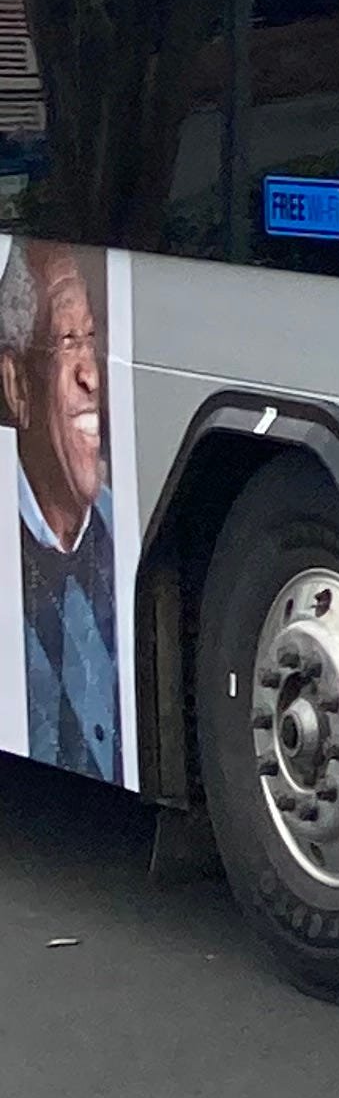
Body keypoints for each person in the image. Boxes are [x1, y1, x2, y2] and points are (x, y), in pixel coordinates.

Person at [2, 238, 118, 778]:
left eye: (92, 340)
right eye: (67, 342)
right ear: (17, 385)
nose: (91, 375)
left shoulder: (125, 534)